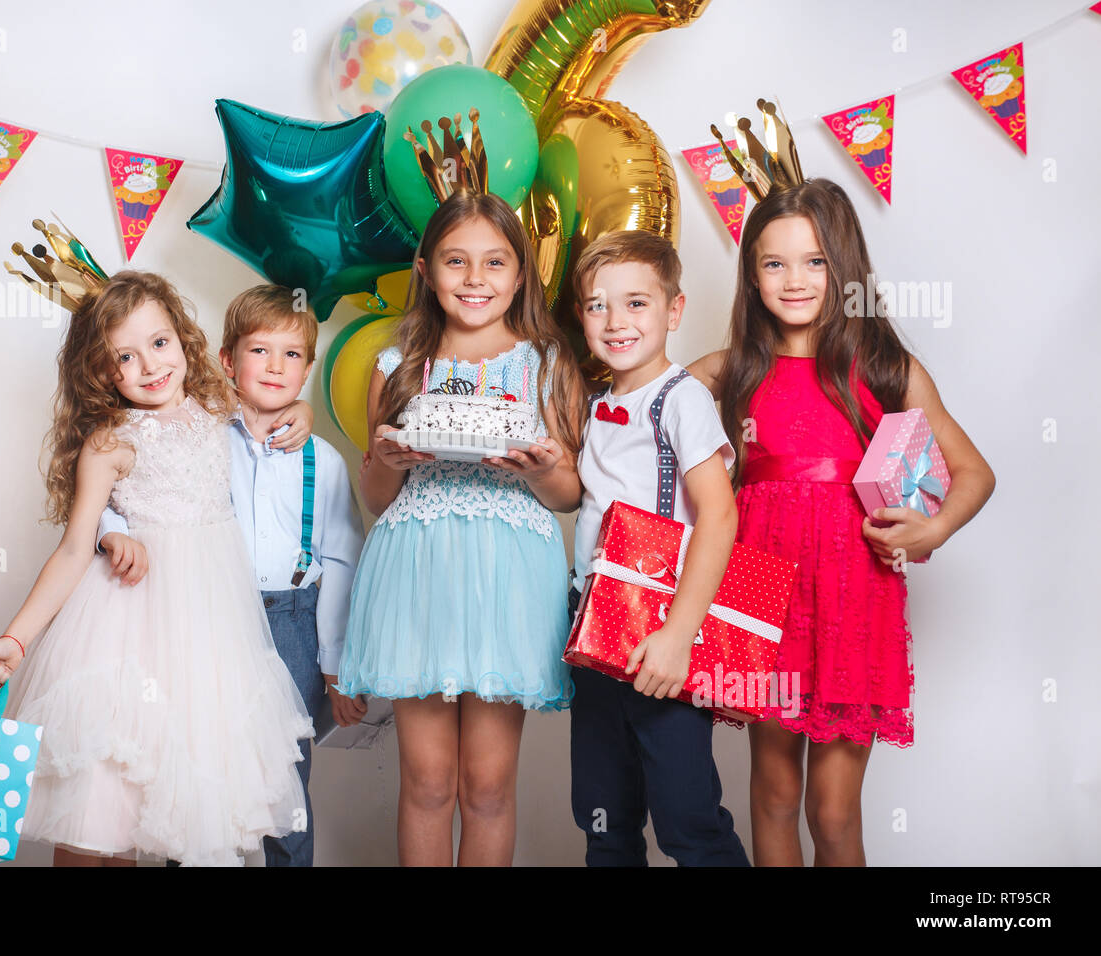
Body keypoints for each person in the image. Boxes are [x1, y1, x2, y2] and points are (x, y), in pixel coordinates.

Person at [688, 178, 995, 865]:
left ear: (844, 266)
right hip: (759, 596)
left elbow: (975, 473)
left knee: (832, 813)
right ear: (751, 275)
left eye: (814, 261)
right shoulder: (729, 370)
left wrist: (932, 530)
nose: (793, 280)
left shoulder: (885, 370)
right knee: (769, 796)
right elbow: (637, 406)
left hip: (852, 599)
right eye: (773, 263)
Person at [0, 270, 316, 867]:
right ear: (100, 373)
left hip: (207, 639)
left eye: (159, 344)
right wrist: (16, 637)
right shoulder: (109, 442)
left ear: (184, 339)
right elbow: (75, 548)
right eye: (122, 358)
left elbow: (273, 404)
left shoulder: (216, 406)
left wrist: (305, 410)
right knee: (103, 798)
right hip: (126, 631)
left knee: (167, 797)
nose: (149, 366)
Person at [336, 190, 586, 866]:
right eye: (456, 261)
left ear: (521, 273)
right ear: (425, 268)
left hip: (510, 581)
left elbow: (568, 496)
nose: (475, 279)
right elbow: (378, 498)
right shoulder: (395, 367)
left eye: (495, 262)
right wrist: (386, 460)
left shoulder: (548, 365)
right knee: (425, 782)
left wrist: (540, 470)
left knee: (488, 785)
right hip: (418, 576)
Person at [95, 283, 366, 867]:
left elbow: (342, 560)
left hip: (292, 624)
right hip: (205, 618)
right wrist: (109, 530)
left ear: (309, 369)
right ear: (225, 361)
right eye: (259, 351)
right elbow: (134, 490)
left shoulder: (325, 459)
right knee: (196, 763)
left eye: (292, 355)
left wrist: (336, 664)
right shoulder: (198, 434)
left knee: (283, 778)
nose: (275, 367)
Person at [568, 230, 750, 866]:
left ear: (674, 311)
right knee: (602, 817)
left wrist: (678, 634)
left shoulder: (682, 399)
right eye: (597, 305)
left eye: (636, 303)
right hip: (594, 632)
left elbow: (719, 513)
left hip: (659, 633)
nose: (616, 321)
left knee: (687, 818)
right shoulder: (594, 406)